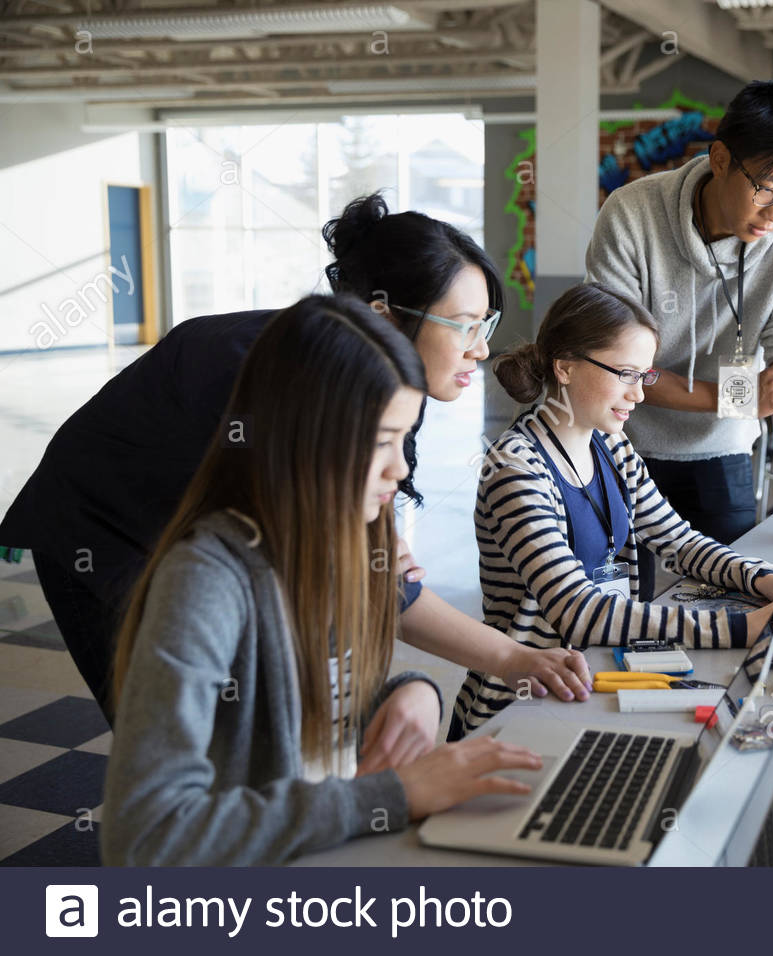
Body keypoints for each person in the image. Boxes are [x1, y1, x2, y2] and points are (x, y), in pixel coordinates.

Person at [0, 193, 589, 742]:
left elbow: (382, 580)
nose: (481, 349)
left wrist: (513, 658)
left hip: (207, 541)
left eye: (485, 325)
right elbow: (341, 574)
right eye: (465, 324)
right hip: (106, 534)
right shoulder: (270, 379)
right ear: (384, 315)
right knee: (179, 742)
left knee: (258, 738)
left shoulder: (388, 384)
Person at [102, 296, 544, 866]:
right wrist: (394, 795)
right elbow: (145, 838)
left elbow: (318, 719)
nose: (401, 468)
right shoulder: (206, 581)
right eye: (382, 441)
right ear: (303, 435)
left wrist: (411, 692)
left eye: (403, 439)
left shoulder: (341, 545)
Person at [452, 283, 773, 737]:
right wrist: (742, 625)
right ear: (566, 367)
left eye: (645, 377)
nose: (638, 395)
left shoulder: (612, 446)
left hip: (592, 683)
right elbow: (578, 610)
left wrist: (762, 577)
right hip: (517, 712)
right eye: (626, 374)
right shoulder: (516, 468)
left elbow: (678, 541)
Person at [586, 80, 773, 561]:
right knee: (621, 603)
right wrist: (731, 398)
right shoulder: (632, 212)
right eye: (767, 191)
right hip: (619, 439)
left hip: (719, 449)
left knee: (730, 595)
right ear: (721, 159)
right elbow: (609, 365)